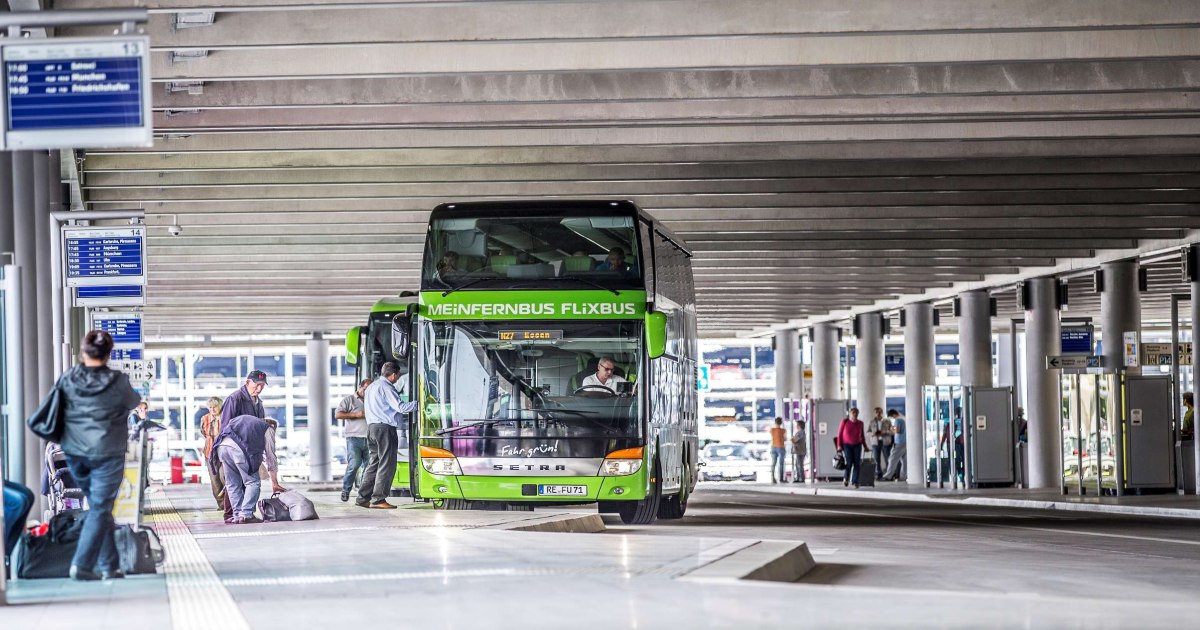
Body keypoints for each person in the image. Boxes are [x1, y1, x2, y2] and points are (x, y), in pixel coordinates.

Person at [57, 329, 141, 580]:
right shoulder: (118, 381)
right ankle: (81, 565)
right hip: (107, 452)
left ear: (83, 352)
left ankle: (110, 565)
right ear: (108, 354)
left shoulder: (69, 378)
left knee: (98, 506)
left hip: (74, 452)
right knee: (100, 506)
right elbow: (134, 402)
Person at [357, 362, 418, 509]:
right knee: (387, 464)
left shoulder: (371, 387)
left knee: (374, 464)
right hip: (384, 429)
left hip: (371, 428)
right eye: (397, 376)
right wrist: (418, 403)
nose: (397, 379)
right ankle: (379, 499)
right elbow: (401, 407)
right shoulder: (386, 387)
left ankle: (362, 498)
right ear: (394, 374)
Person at [212, 414, 275, 524]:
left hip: (222, 447)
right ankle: (246, 514)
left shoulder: (249, 423)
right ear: (272, 426)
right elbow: (271, 456)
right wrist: (275, 482)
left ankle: (237, 515)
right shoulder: (268, 428)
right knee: (253, 482)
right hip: (238, 450)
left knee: (232, 483)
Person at [337, 378, 372, 502]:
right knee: (354, 464)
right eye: (366, 389)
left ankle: (363, 495)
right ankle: (346, 490)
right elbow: (338, 414)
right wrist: (355, 415)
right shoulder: (349, 400)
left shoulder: (372, 400)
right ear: (360, 387)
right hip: (353, 438)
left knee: (369, 467)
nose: (367, 392)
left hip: (369, 438)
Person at [201, 396, 226, 509]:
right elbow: (203, 432)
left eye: (215, 407)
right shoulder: (204, 419)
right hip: (209, 453)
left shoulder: (226, 418)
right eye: (210, 407)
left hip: (224, 454)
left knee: (225, 477)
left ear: (220, 406)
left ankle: (231, 503)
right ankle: (222, 505)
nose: (212, 409)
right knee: (215, 481)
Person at [835, 407, 866, 488]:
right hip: (846, 445)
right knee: (849, 462)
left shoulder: (860, 423)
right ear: (849, 414)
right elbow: (839, 434)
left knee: (857, 463)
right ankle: (846, 478)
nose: (854, 415)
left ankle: (855, 481)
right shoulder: (844, 422)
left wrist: (865, 446)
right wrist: (838, 446)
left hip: (857, 445)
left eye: (856, 413)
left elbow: (862, 436)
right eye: (853, 413)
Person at [940, 407, 966, 482]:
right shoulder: (950, 423)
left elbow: (945, 434)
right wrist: (941, 445)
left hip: (958, 443)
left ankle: (959, 476)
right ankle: (958, 476)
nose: (958, 414)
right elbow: (945, 434)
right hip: (956, 443)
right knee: (956, 460)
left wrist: (942, 445)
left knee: (957, 461)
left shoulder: (953, 422)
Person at [868, 407, 893, 480]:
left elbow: (893, 431)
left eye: (879, 412)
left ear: (882, 413)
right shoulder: (872, 421)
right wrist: (873, 434)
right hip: (875, 443)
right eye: (877, 412)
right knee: (876, 460)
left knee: (888, 459)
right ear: (874, 413)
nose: (878, 414)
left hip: (885, 442)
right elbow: (867, 432)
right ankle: (878, 475)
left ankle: (889, 475)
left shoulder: (887, 421)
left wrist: (885, 432)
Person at [882, 409, 907, 481]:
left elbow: (897, 431)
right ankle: (903, 477)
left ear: (893, 414)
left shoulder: (898, 420)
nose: (892, 418)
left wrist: (890, 428)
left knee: (892, 459)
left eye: (891, 417)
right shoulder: (904, 418)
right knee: (904, 461)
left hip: (899, 442)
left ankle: (888, 476)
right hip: (905, 442)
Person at [769, 417, 787, 483]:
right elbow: (785, 439)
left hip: (773, 447)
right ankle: (781, 479)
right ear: (781, 423)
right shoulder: (783, 430)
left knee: (773, 463)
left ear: (775, 422)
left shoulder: (772, 430)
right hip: (781, 447)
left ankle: (773, 478)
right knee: (781, 464)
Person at [791, 418, 807, 483]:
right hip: (801, 450)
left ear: (799, 425)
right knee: (798, 464)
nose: (796, 426)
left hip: (800, 451)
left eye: (797, 425)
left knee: (799, 465)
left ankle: (801, 478)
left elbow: (795, 440)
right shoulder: (801, 432)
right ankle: (799, 477)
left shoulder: (800, 433)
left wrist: (792, 439)